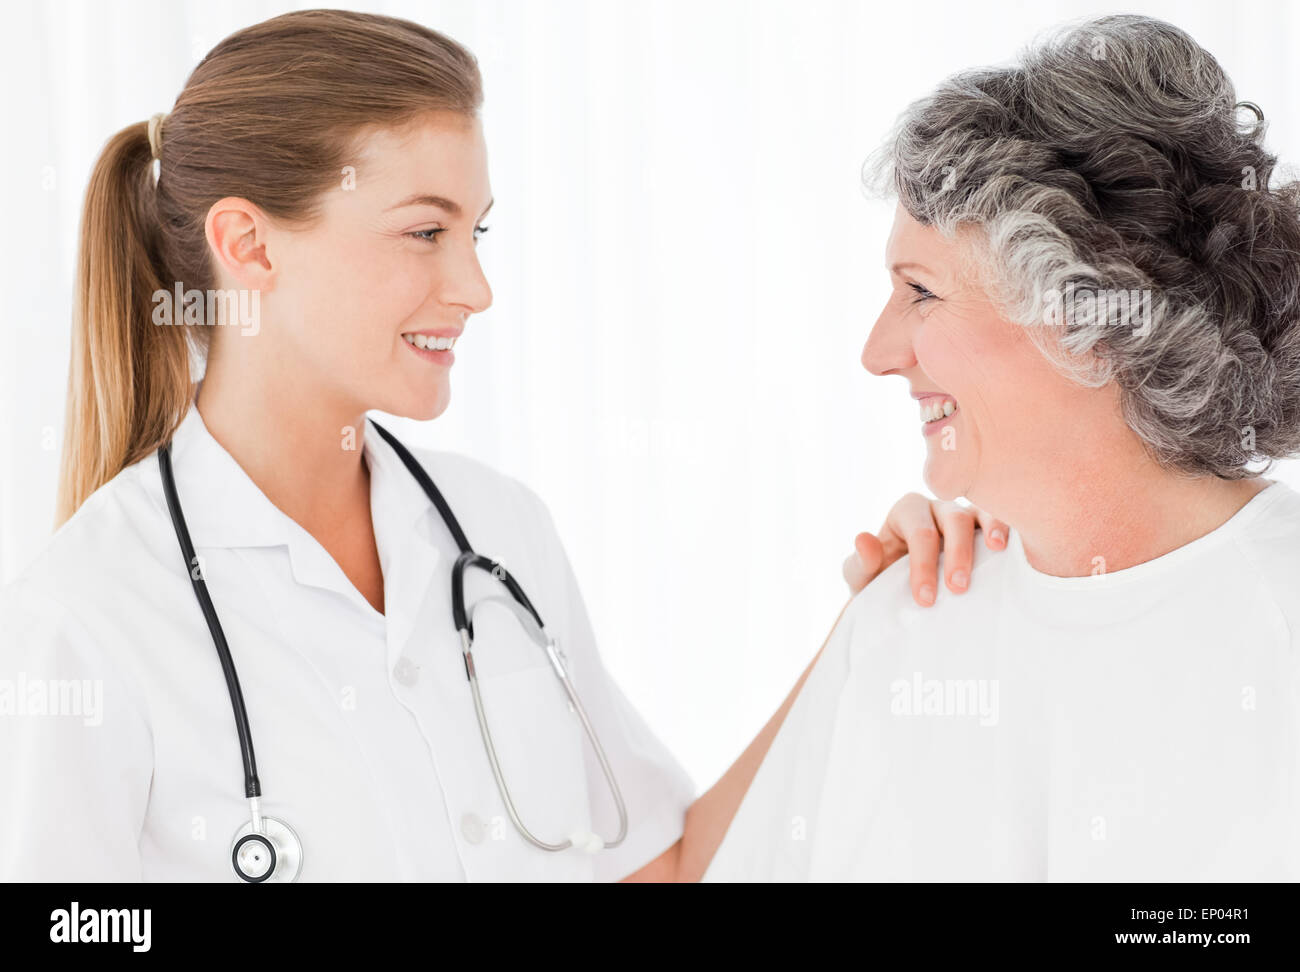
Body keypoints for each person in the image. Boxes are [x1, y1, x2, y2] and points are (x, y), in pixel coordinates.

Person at [0, 7, 996, 883]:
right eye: (424, 233)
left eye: (478, 233)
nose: (475, 289)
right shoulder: (87, 619)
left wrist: (860, 638)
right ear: (250, 245)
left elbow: (660, 867)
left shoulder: (495, 531)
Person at [702, 14, 1300, 882]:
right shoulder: (904, 625)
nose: (878, 352)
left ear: (1091, 320)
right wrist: (866, 627)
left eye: (921, 292)